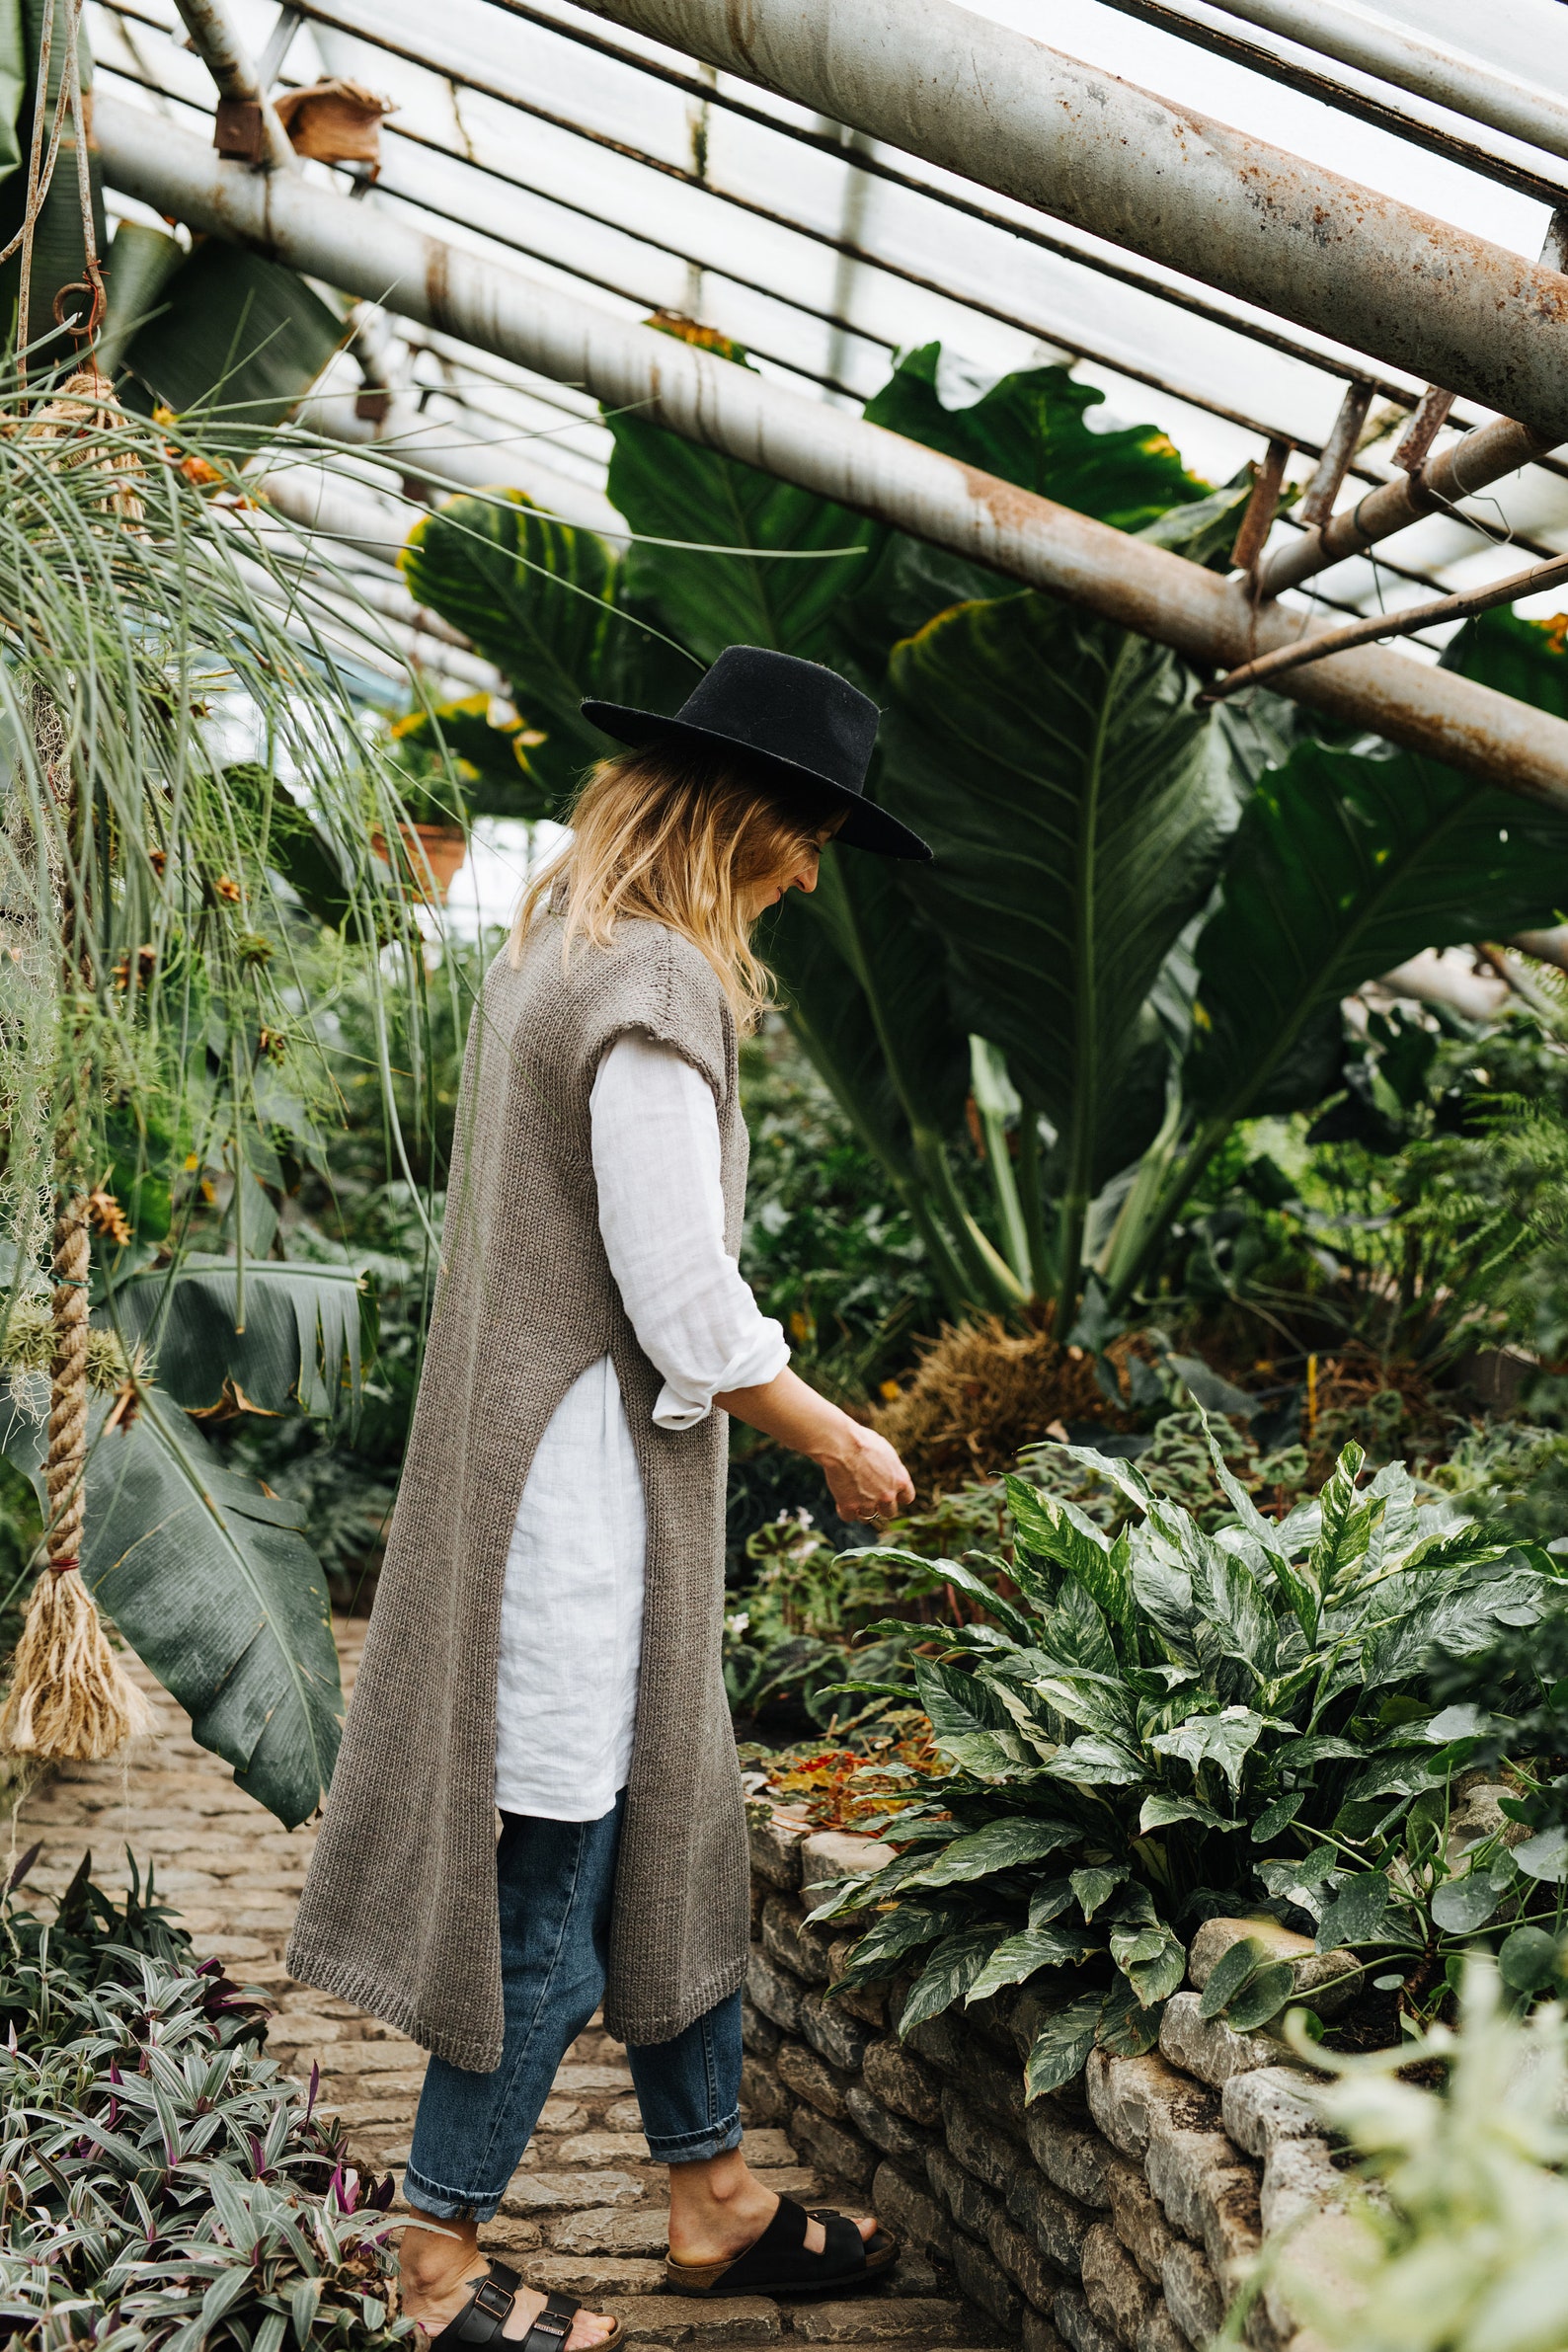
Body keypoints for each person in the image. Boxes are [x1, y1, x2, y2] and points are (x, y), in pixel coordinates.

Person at [285, 646, 929, 2352]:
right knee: (551, 1902)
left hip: (580, 1488)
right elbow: (684, 1301)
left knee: (677, 1835)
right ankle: (436, 2261)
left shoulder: (551, 957)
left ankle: (709, 2191)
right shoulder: (650, 988)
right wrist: (837, 1436)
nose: (812, 870)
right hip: (575, 1518)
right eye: (807, 833)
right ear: (741, 818)